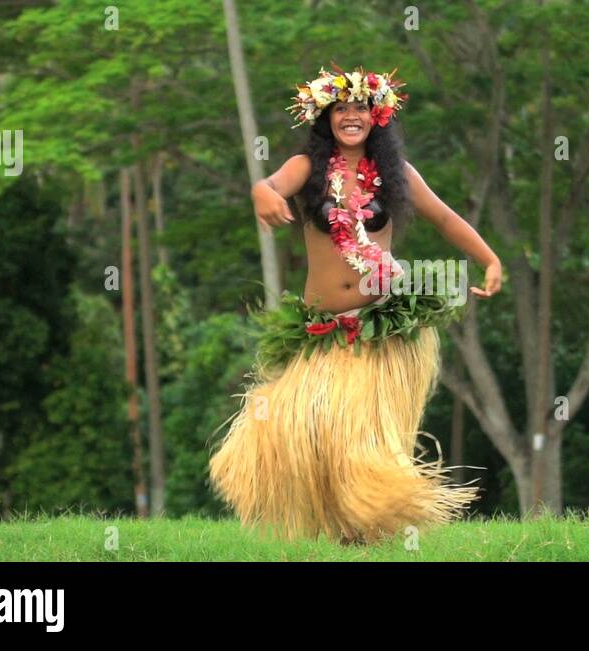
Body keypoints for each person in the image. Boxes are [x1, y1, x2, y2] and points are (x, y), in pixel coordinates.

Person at [208, 65, 503, 545]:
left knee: (360, 436)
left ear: (376, 116)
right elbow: (270, 185)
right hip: (324, 327)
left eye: (360, 108)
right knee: (300, 430)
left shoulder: (395, 173)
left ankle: (365, 524)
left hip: (380, 327)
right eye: (340, 108)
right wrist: (261, 194)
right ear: (325, 118)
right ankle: (346, 518)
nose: (351, 116)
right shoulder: (307, 168)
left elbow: (446, 218)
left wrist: (489, 259)